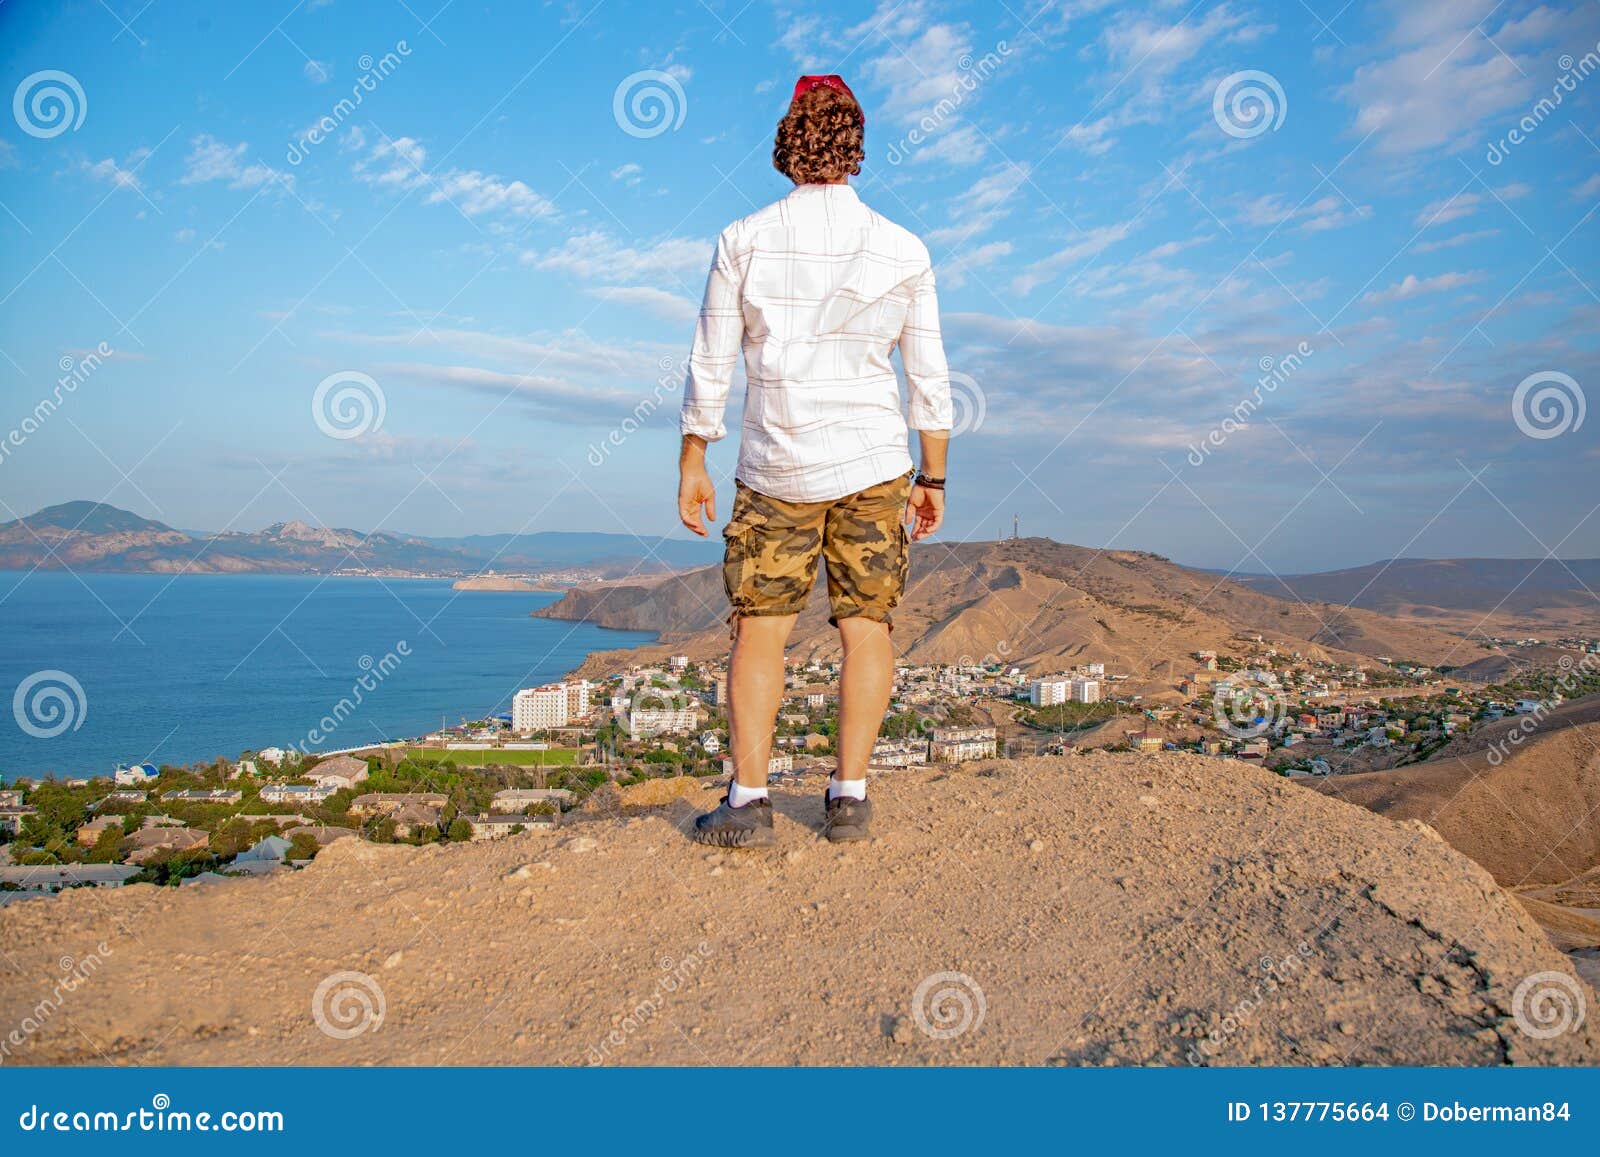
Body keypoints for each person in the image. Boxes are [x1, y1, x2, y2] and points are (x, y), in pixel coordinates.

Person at [676, 74, 953, 847]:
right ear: (857, 144)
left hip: (775, 468)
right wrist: (932, 475)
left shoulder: (742, 239)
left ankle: (750, 802)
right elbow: (928, 377)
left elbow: (712, 363)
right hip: (874, 465)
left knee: (758, 631)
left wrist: (693, 455)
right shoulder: (904, 248)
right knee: (868, 626)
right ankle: (849, 798)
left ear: (787, 141)